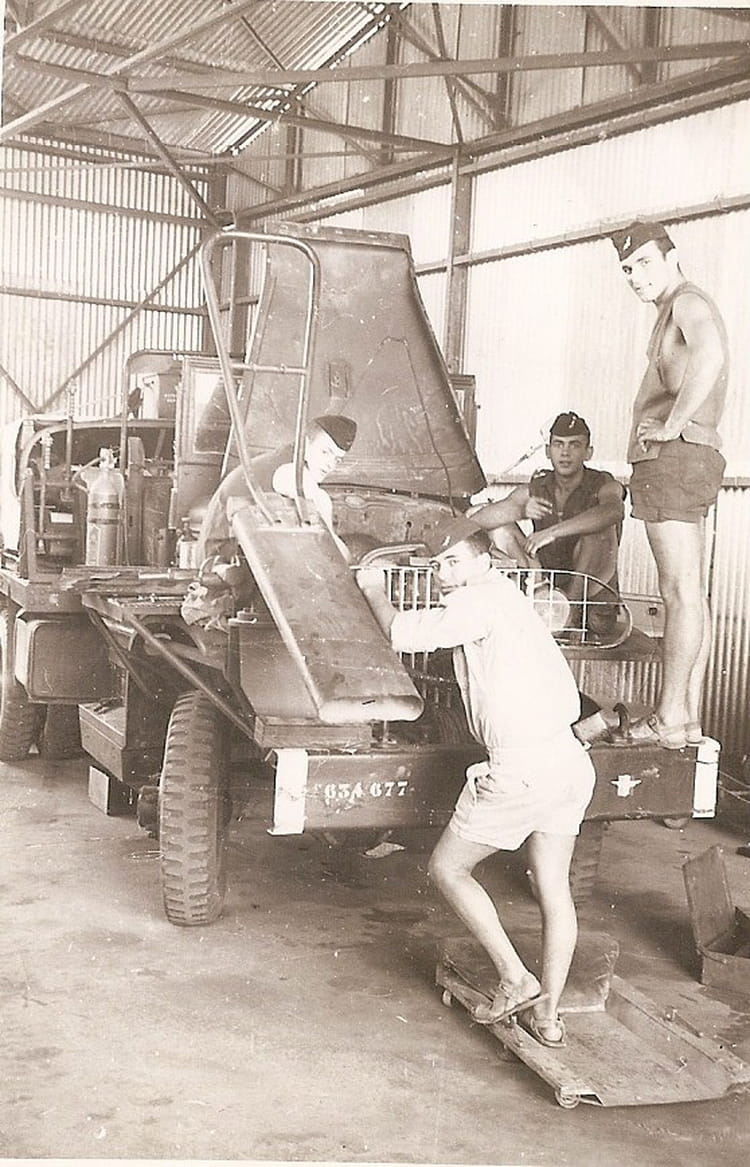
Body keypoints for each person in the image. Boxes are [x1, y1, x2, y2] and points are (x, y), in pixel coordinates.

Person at [356, 514, 595, 1047]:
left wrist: (373, 587)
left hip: (523, 765)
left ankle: (516, 978)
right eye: (437, 563)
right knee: (554, 887)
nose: (444, 572)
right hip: (569, 760)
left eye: (454, 561)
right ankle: (549, 1017)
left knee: (447, 868)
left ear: (484, 559)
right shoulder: (507, 594)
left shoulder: (475, 600)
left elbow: (400, 633)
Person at [610, 218, 729, 749]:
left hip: (674, 460)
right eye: (627, 270)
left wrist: (672, 425)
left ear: (671, 256)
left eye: (644, 264)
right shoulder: (672, 309)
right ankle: (685, 718)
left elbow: (711, 355)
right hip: (683, 462)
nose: (635, 277)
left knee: (678, 593)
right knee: (690, 596)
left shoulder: (686, 302)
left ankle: (668, 717)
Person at [468, 412, 626, 636]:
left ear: (588, 452)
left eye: (575, 445)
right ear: (547, 451)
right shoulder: (539, 486)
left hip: (591, 599)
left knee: (597, 531)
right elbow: (478, 519)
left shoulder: (603, 483)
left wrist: (552, 532)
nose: (565, 452)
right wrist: (521, 510)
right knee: (499, 526)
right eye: (558, 444)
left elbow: (613, 511)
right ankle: (540, 592)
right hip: (547, 590)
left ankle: (569, 612)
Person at [195, 413, 357, 565]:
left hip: (222, 551)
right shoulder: (290, 471)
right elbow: (332, 546)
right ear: (305, 443)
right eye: (325, 452)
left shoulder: (285, 456)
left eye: (337, 459)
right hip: (220, 560)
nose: (330, 464)